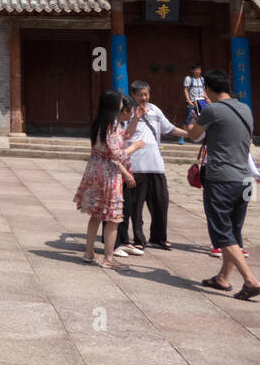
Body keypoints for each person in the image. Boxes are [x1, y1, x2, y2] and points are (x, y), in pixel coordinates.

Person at [187, 68, 260, 300]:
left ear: (208, 89)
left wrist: (195, 118)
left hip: (222, 178)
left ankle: (251, 281)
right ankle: (223, 277)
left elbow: (194, 136)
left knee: (222, 231)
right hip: (245, 179)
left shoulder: (212, 109)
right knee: (234, 230)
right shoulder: (245, 108)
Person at [74, 91, 143, 269]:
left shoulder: (102, 123)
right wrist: (133, 148)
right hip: (108, 174)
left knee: (95, 215)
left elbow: (125, 135)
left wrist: (135, 119)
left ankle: (89, 253)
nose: (122, 103)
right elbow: (117, 154)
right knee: (112, 218)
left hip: (93, 171)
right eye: (120, 101)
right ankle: (109, 259)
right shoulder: (112, 126)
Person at [116, 80, 185, 256]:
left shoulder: (155, 110)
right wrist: (137, 117)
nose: (144, 98)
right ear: (133, 95)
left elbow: (169, 129)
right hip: (136, 165)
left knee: (160, 202)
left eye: (146, 94)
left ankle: (159, 237)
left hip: (156, 165)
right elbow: (126, 135)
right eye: (140, 95)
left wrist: (190, 134)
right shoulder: (127, 112)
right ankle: (138, 239)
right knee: (135, 206)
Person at [182, 63, 206, 139]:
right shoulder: (188, 79)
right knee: (188, 120)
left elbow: (204, 90)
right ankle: (182, 137)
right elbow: (185, 90)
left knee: (203, 119)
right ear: (192, 70)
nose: (198, 71)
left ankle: (200, 137)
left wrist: (206, 98)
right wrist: (188, 101)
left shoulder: (202, 79)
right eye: (196, 69)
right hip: (192, 102)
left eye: (199, 70)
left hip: (202, 102)